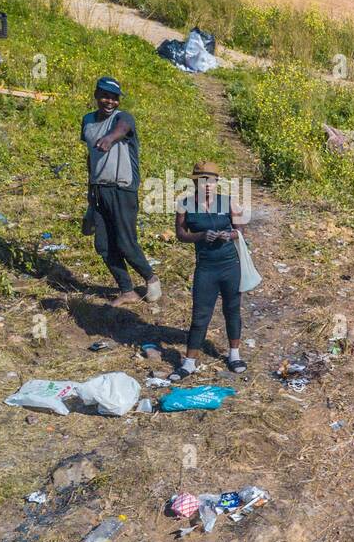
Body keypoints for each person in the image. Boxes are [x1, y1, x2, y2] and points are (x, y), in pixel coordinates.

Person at [81, 77, 160, 307]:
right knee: (103, 245)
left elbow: (122, 129)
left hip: (122, 189)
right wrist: (90, 191)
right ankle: (127, 290)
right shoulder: (87, 121)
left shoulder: (123, 119)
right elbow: (91, 156)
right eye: (105, 96)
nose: (109, 101)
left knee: (125, 242)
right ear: (96, 95)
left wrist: (110, 138)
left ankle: (150, 278)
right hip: (98, 189)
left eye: (114, 98)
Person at [170, 162, 246, 378]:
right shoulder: (184, 204)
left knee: (232, 309)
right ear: (195, 182)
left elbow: (240, 230)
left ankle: (234, 354)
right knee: (200, 314)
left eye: (211, 181)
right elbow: (181, 234)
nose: (207, 185)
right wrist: (201, 236)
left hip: (230, 265)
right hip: (206, 267)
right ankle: (189, 362)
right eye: (203, 181)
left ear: (216, 182)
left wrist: (227, 235)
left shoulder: (228, 202)